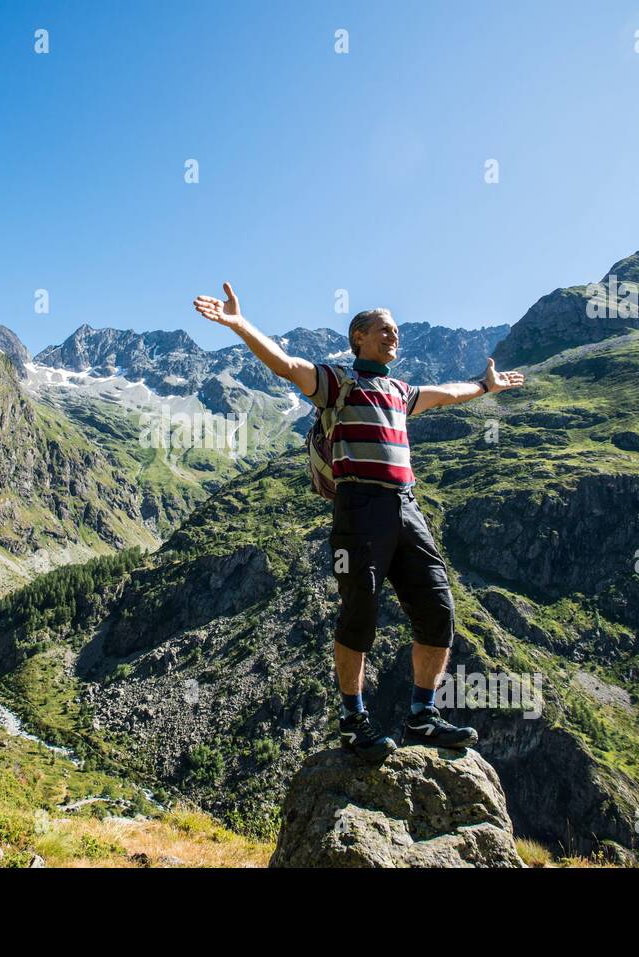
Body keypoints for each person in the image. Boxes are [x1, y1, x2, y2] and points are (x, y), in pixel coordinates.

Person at [192, 283, 525, 762]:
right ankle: (353, 721)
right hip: (359, 510)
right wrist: (239, 323)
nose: (394, 336)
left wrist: (484, 385)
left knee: (438, 609)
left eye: (396, 331)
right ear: (359, 338)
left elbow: (447, 394)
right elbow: (286, 366)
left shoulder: (401, 392)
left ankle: (422, 716)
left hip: (406, 509)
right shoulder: (338, 384)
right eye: (385, 330)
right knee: (359, 616)